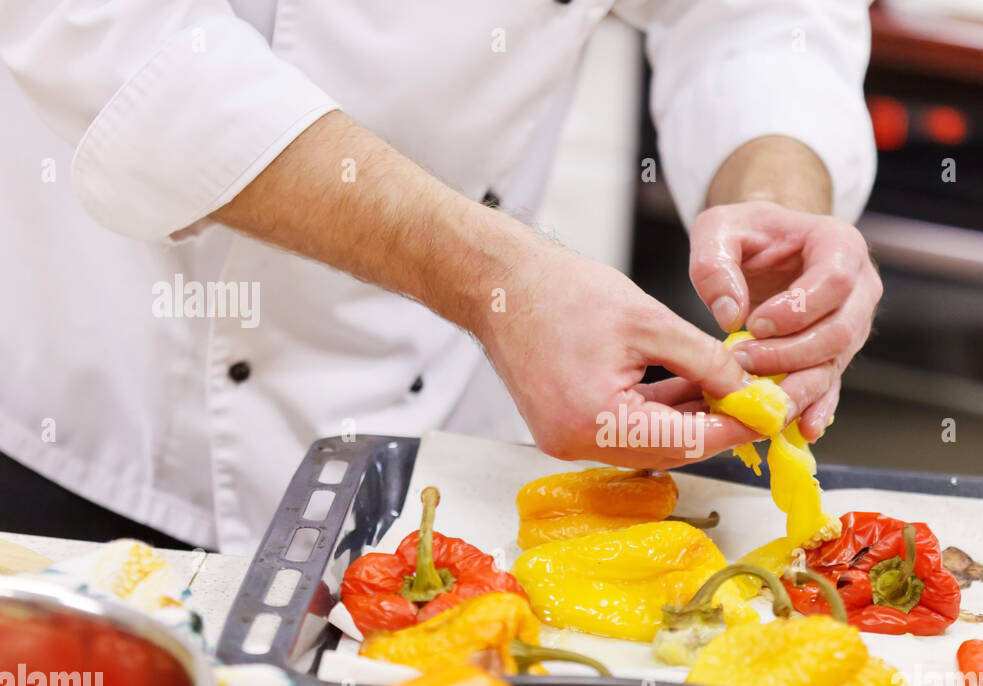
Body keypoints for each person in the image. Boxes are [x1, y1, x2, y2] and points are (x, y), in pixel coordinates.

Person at [0, 0, 881, 555]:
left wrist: (777, 195)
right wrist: (491, 278)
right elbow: (105, 33)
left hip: (445, 447)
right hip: (108, 420)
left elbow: (754, 14)